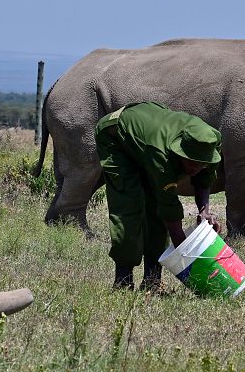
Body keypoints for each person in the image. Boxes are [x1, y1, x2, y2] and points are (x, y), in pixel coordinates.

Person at [94, 102, 223, 291]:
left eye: (201, 164)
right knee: (129, 208)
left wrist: (204, 211)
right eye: (191, 163)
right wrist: (187, 254)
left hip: (149, 130)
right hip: (116, 137)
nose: (196, 169)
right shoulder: (162, 156)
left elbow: (205, 177)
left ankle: (152, 280)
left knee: (155, 210)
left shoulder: (209, 143)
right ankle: (123, 279)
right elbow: (169, 209)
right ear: (180, 152)